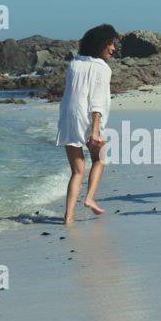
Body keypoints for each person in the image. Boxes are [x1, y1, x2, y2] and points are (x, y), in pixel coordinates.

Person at [55, 24, 118, 225]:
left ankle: (69, 217)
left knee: (77, 171)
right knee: (99, 159)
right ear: (100, 45)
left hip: (68, 119)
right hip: (89, 119)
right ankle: (89, 197)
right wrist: (96, 131)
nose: (113, 49)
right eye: (110, 44)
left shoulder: (73, 64)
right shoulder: (102, 68)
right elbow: (97, 102)